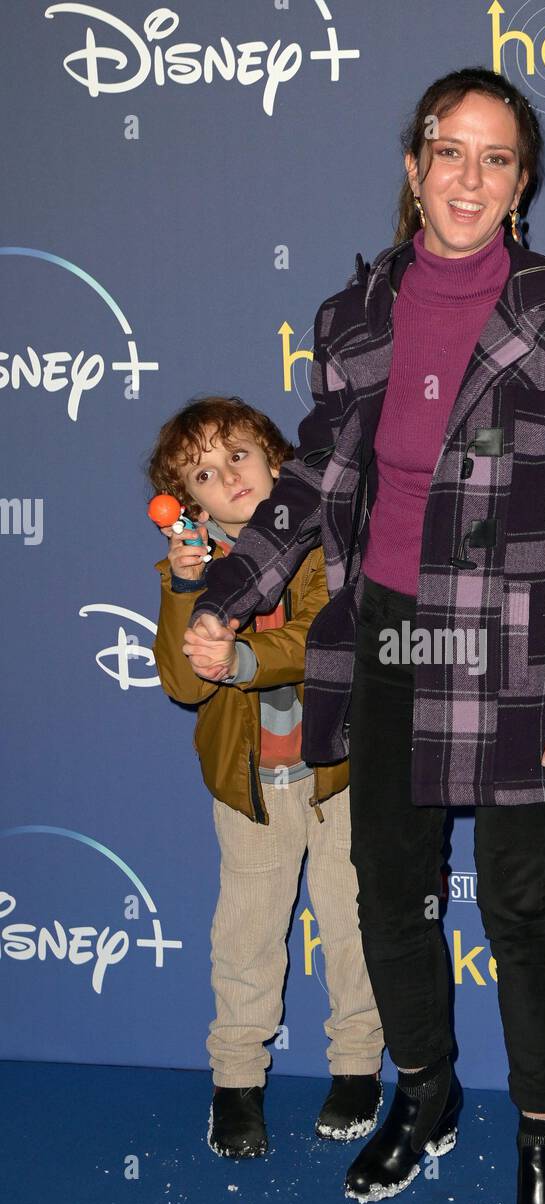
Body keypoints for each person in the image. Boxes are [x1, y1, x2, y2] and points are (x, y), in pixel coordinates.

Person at [185, 68, 545, 1204]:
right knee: (391, 896)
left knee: (520, 905)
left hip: (519, 658)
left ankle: (542, 1141)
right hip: (384, 638)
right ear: (412, 164)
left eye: (496, 159)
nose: (468, 179)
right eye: (450, 151)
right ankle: (424, 1094)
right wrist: (229, 598)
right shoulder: (357, 313)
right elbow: (313, 488)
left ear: (520, 183)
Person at [148, 395, 384, 1158]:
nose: (229, 478)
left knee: (354, 929)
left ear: (278, 459)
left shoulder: (322, 539)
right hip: (250, 791)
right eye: (206, 474)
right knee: (245, 939)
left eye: (239, 455)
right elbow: (185, 688)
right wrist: (185, 591)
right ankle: (236, 1084)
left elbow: (323, 637)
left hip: (337, 775)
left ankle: (356, 1068)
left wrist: (242, 655)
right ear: (190, 502)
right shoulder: (192, 570)